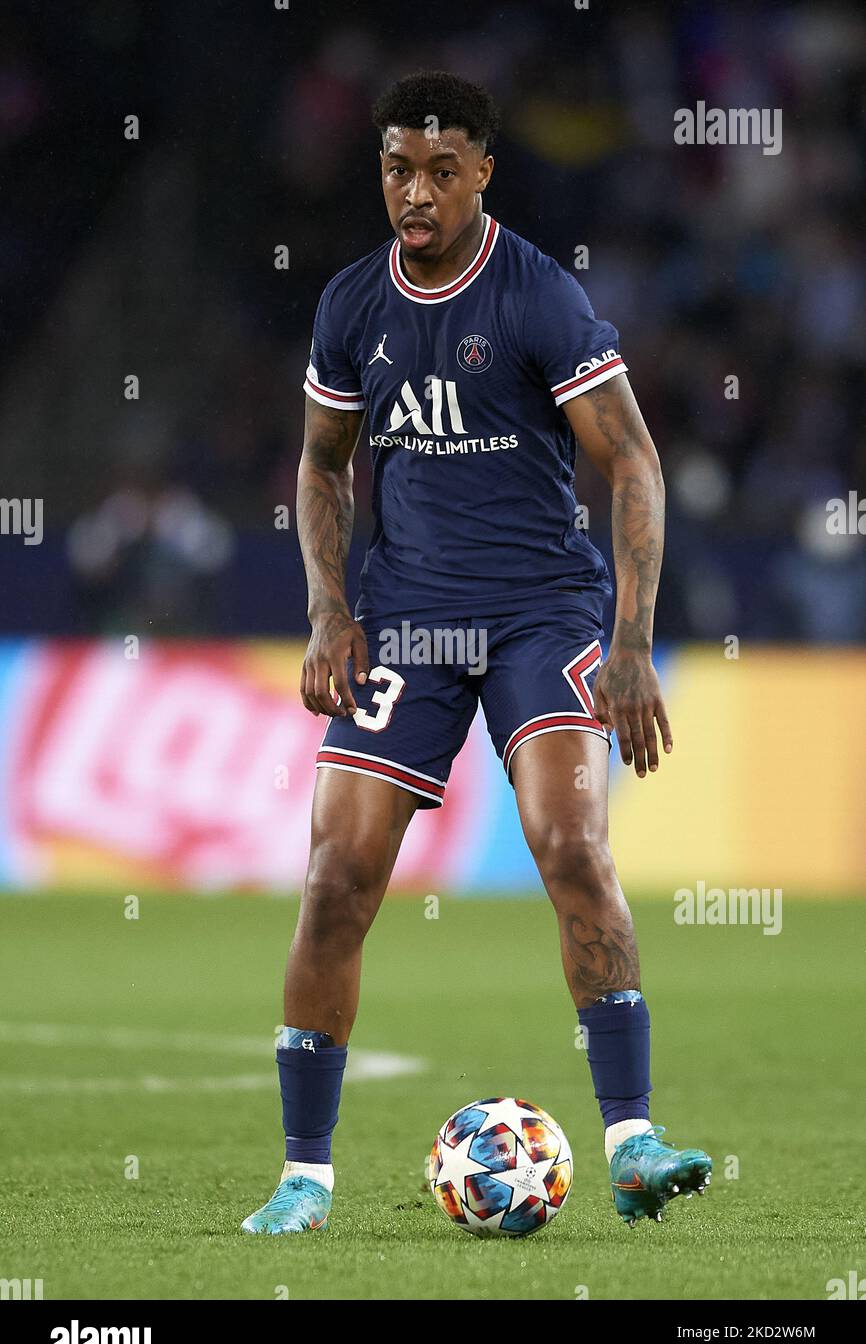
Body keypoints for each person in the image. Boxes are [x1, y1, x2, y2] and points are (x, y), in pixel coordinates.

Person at [243, 70, 711, 1235]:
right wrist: (327, 612)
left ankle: (631, 1141)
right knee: (335, 877)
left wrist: (631, 642)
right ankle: (304, 1176)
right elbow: (317, 463)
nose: (417, 190)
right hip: (404, 624)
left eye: (442, 170)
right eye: (399, 167)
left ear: (482, 173)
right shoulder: (351, 306)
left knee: (569, 843)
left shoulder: (537, 296)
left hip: (538, 615)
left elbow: (634, 462)